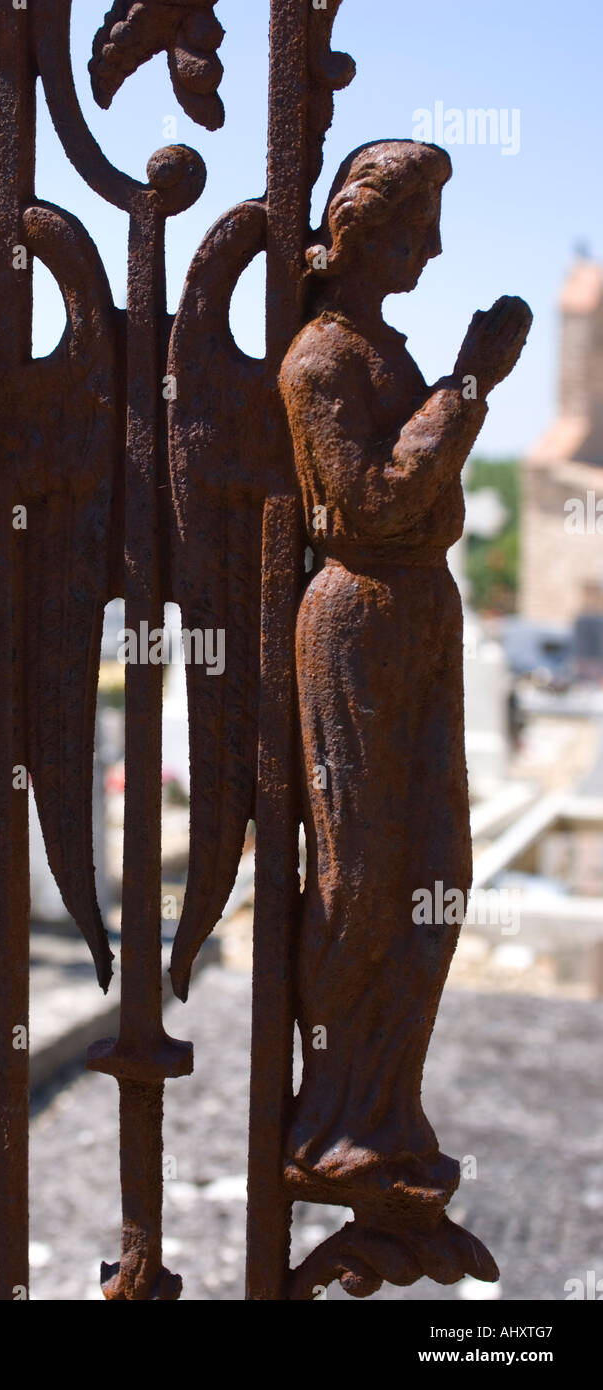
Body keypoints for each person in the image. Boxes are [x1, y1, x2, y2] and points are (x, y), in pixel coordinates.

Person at [280, 140, 531, 1222]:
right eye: (411, 226)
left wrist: (455, 382)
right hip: (357, 618)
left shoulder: (379, 347)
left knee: (437, 863)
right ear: (354, 233)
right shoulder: (321, 359)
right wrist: (467, 384)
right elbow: (371, 499)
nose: (430, 247)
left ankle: (385, 1106)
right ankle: (331, 1112)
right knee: (363, 873)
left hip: (415, 612)